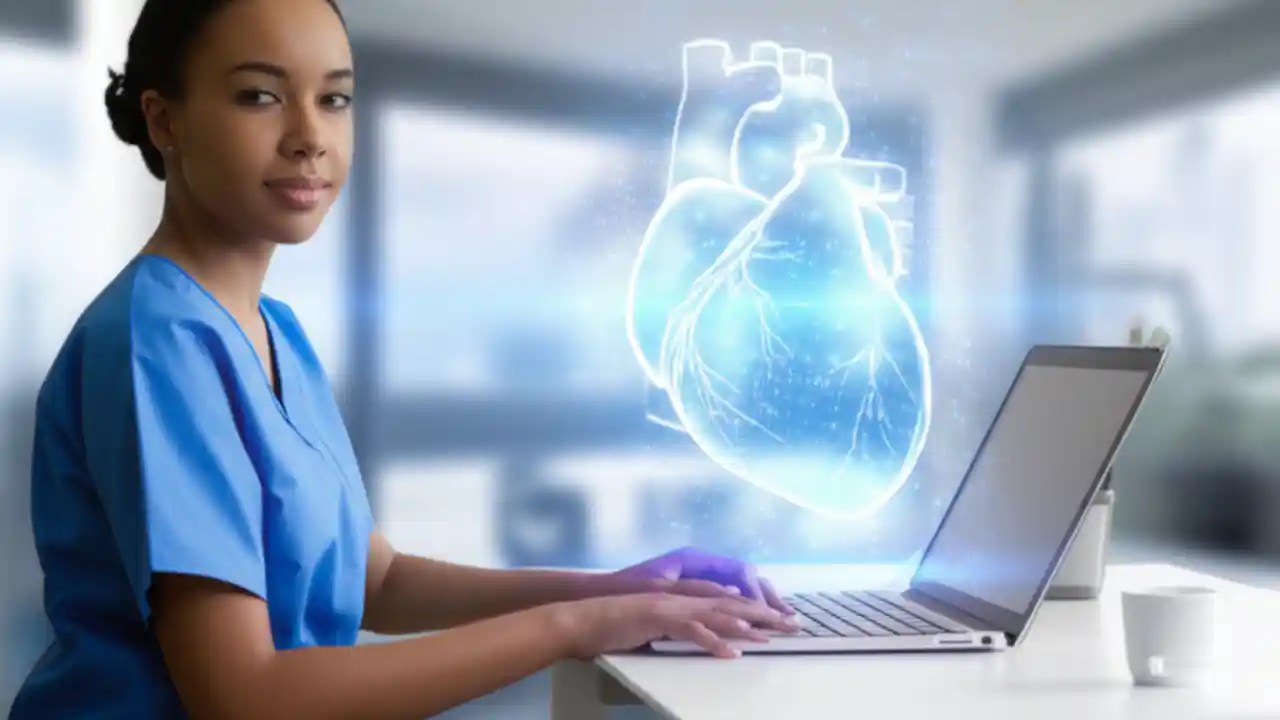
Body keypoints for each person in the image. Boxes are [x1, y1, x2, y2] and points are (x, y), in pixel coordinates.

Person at [8, 1, 799, 717]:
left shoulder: (270, 329)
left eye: (335, 98)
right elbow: (244, 696)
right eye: (259, 95)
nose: (309, 136)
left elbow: (374, 584)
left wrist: (623, 589)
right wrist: (577, 626)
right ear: (164, 119)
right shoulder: (158, 344)